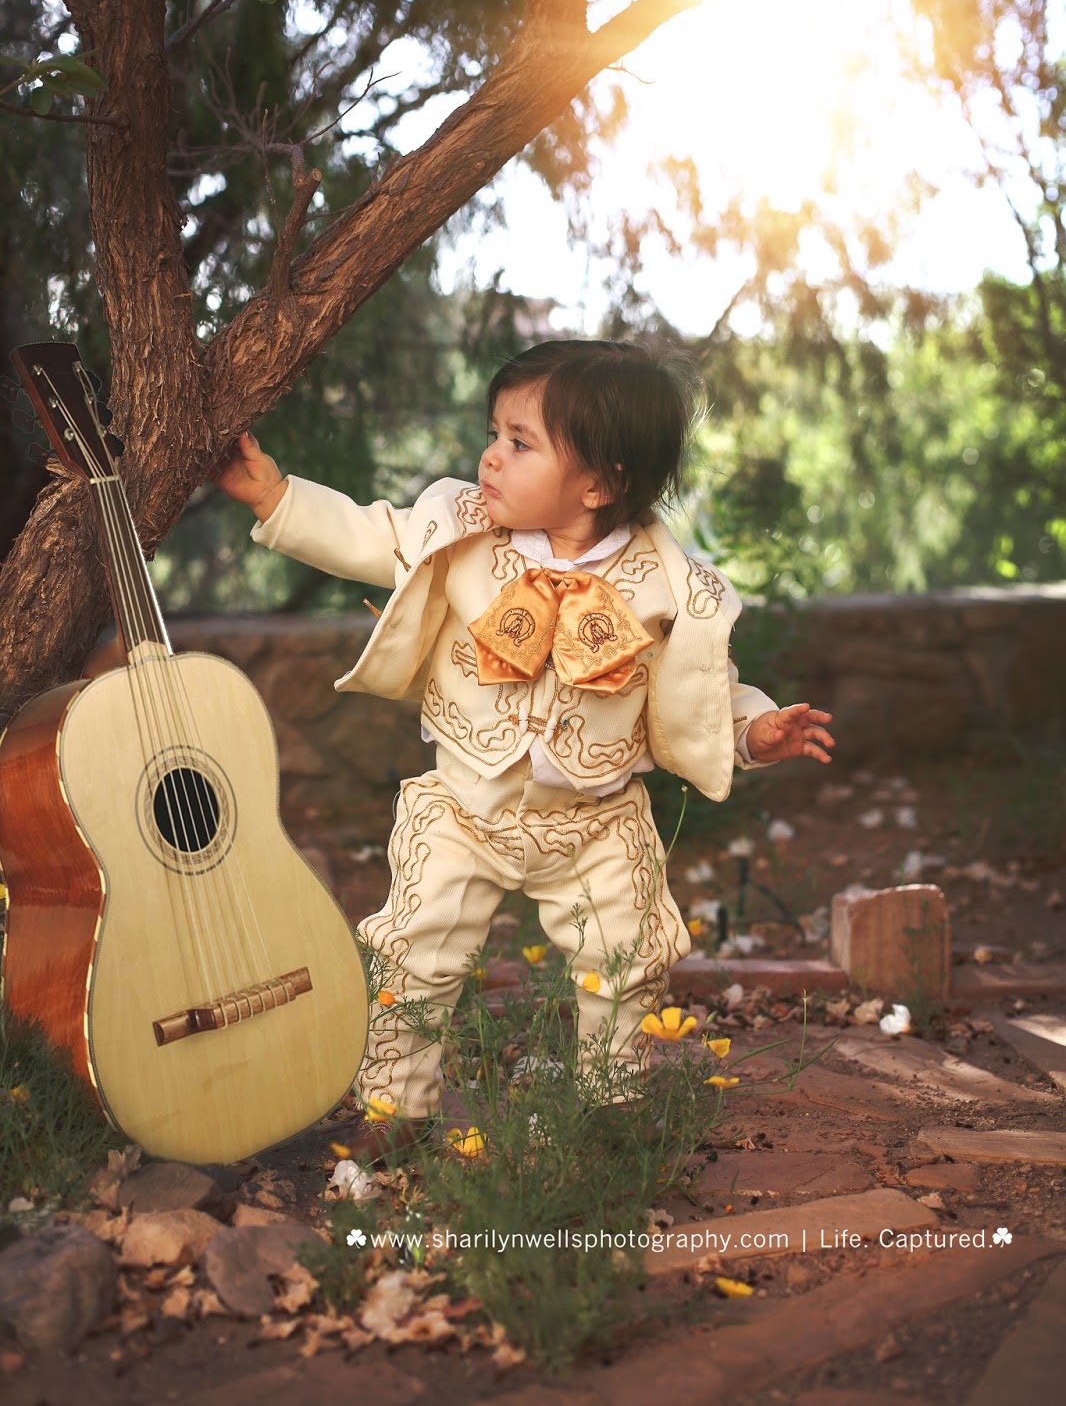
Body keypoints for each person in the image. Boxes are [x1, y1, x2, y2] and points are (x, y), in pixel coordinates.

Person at [210, 339, 834, 1159]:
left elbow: (701, 687)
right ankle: (394, 1108)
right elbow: (371, 535)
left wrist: (756, 729)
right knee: (414, 950)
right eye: (494, 434)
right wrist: (275, 497)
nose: (491, 458)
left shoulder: (667, 586)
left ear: (598, 484)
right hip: (464, 807)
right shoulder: (462, 529)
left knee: (626, 960)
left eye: (519, 442)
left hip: (595, 820)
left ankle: (611, 1105)